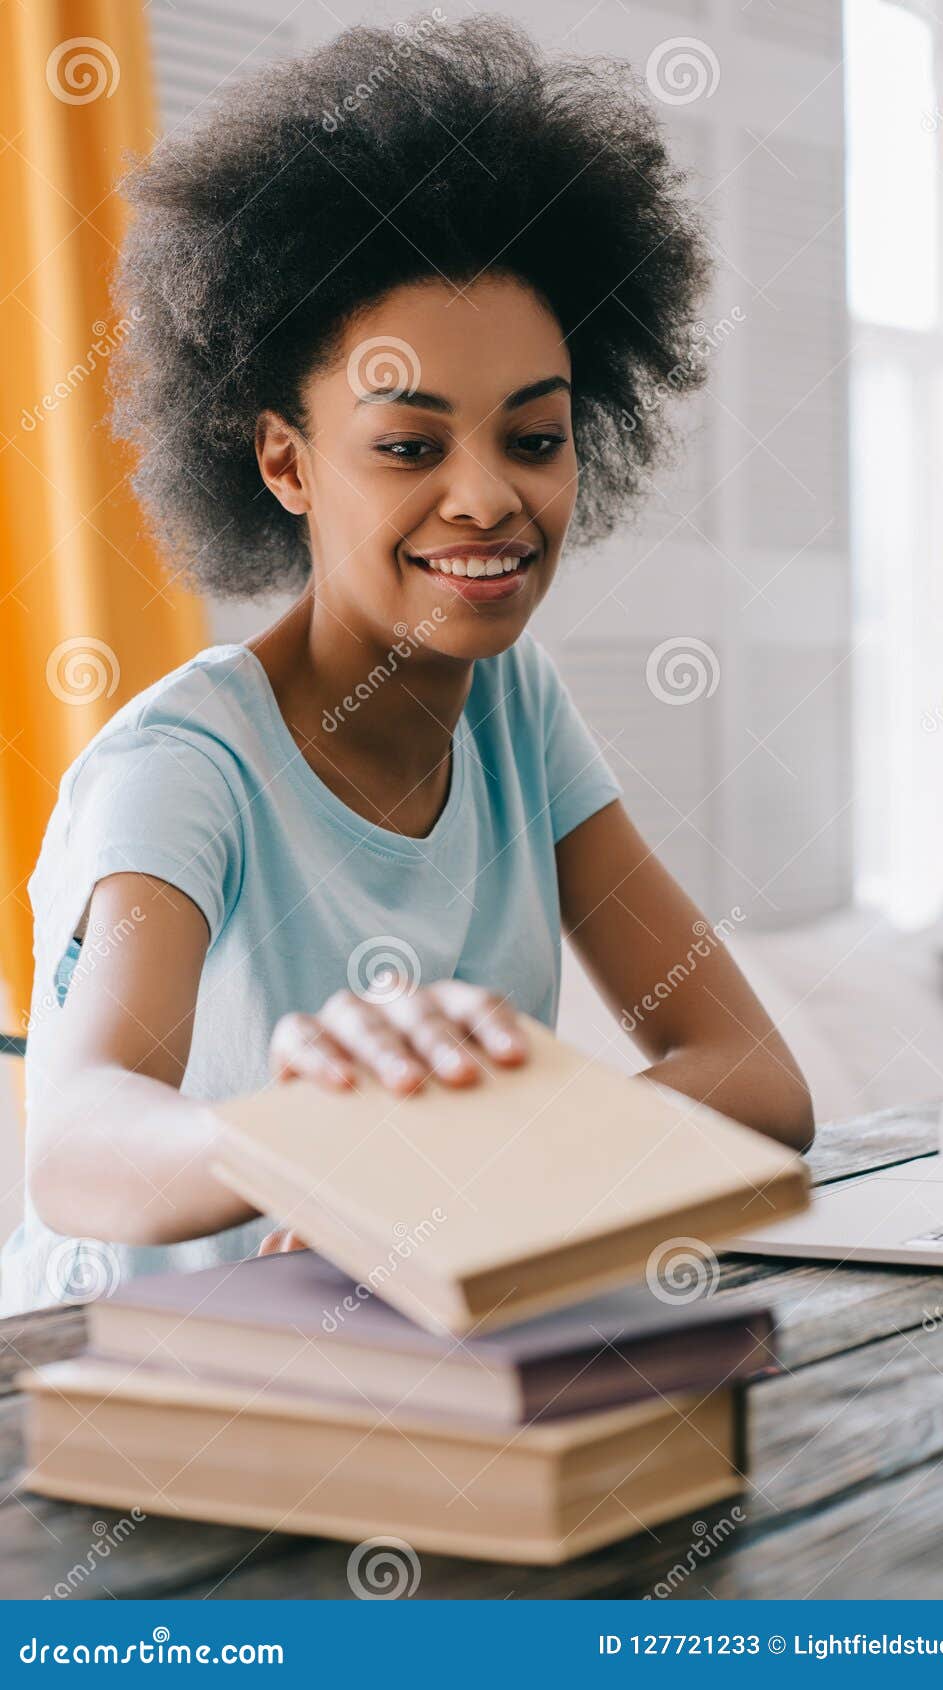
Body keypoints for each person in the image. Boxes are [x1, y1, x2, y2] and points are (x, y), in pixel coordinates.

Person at [2, 16, 812, 1314]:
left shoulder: (514, 708)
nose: (488, 497)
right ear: (284, 462)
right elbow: (78, 1142)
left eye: (534, 439)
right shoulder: (183, 767)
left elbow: (759, 1078)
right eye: (408, 447)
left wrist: (485, 1172)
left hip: (407, 1360)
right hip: (123, 1379)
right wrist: (313, 1152)